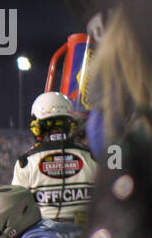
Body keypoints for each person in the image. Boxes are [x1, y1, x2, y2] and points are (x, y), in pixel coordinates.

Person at [12, 92, 97, 224]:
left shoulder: (26, 163)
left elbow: (15, 208)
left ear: (37, 126)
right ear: (70, 124)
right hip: (85, 236)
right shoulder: (92, 157)